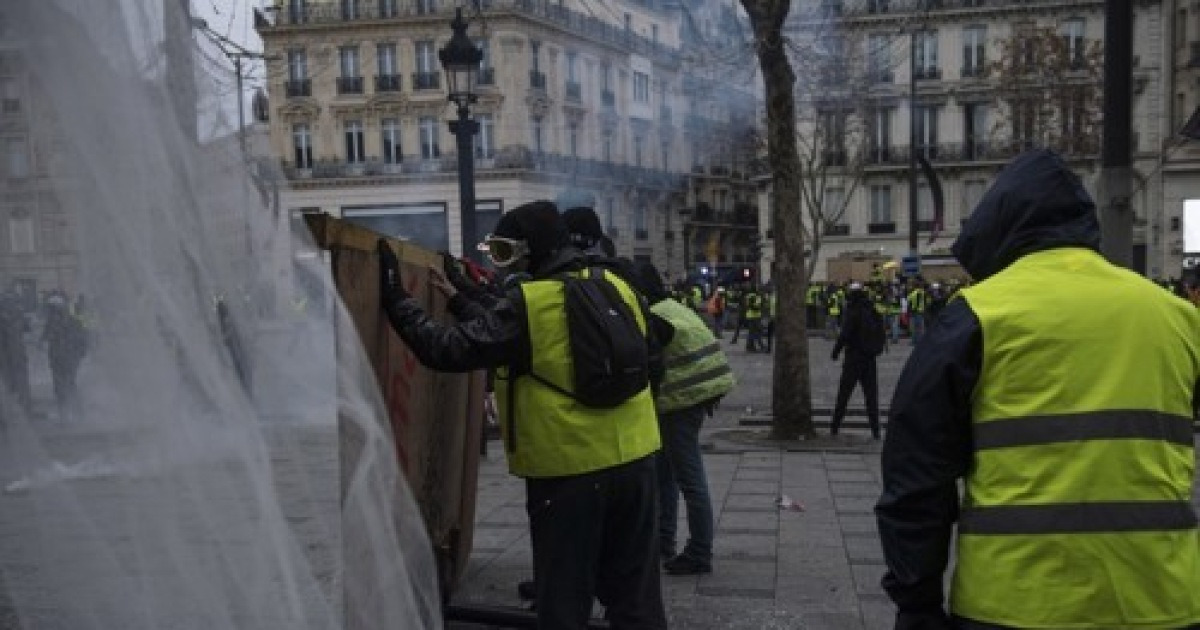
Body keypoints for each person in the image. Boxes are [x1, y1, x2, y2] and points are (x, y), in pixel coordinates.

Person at [875, 149, 1200, 629]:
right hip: (1163, 600)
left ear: (1000, 229)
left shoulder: (977, 316)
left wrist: (917, 602)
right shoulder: (1176, 315)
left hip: (1016, 602)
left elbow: (916, 478)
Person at [377, 201, 667, 630]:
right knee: (636, 601)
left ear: (532, 251)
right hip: (639, 463)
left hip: (571, 473)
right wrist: (460, 295)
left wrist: (397, 299)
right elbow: (653, 350)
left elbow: (448, 348)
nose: (502, 265)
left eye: (505, 252)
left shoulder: (532, 302)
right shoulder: (614, 284)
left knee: (564, 603)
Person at [632, 261, 735, 576]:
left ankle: (699, 551)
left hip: (682, 401)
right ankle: (664, 543)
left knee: (689, 479)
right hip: (697, 395)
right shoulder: (674, 307)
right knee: (667, 474)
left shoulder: (653, 317)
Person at [828, 283, 882, 439]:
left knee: (844, 394)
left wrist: (836, 351)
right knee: (871, 396)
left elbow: (845, 334)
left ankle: (835, 426)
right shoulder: (872, 309)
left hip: (854, 357)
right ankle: (876, 430)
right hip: (870, 358)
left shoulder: (853, 311)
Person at [42, 294, 88, 418]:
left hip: (65, 359)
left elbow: (82, 341)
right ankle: (67, 412)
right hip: (59, 358)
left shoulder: (72, 322)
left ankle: (75, 412)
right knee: (63, 385)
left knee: (67, 384)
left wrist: (78, 356)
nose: (51, 312)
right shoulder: (56, 322)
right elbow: (44, 338)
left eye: (52, 309)